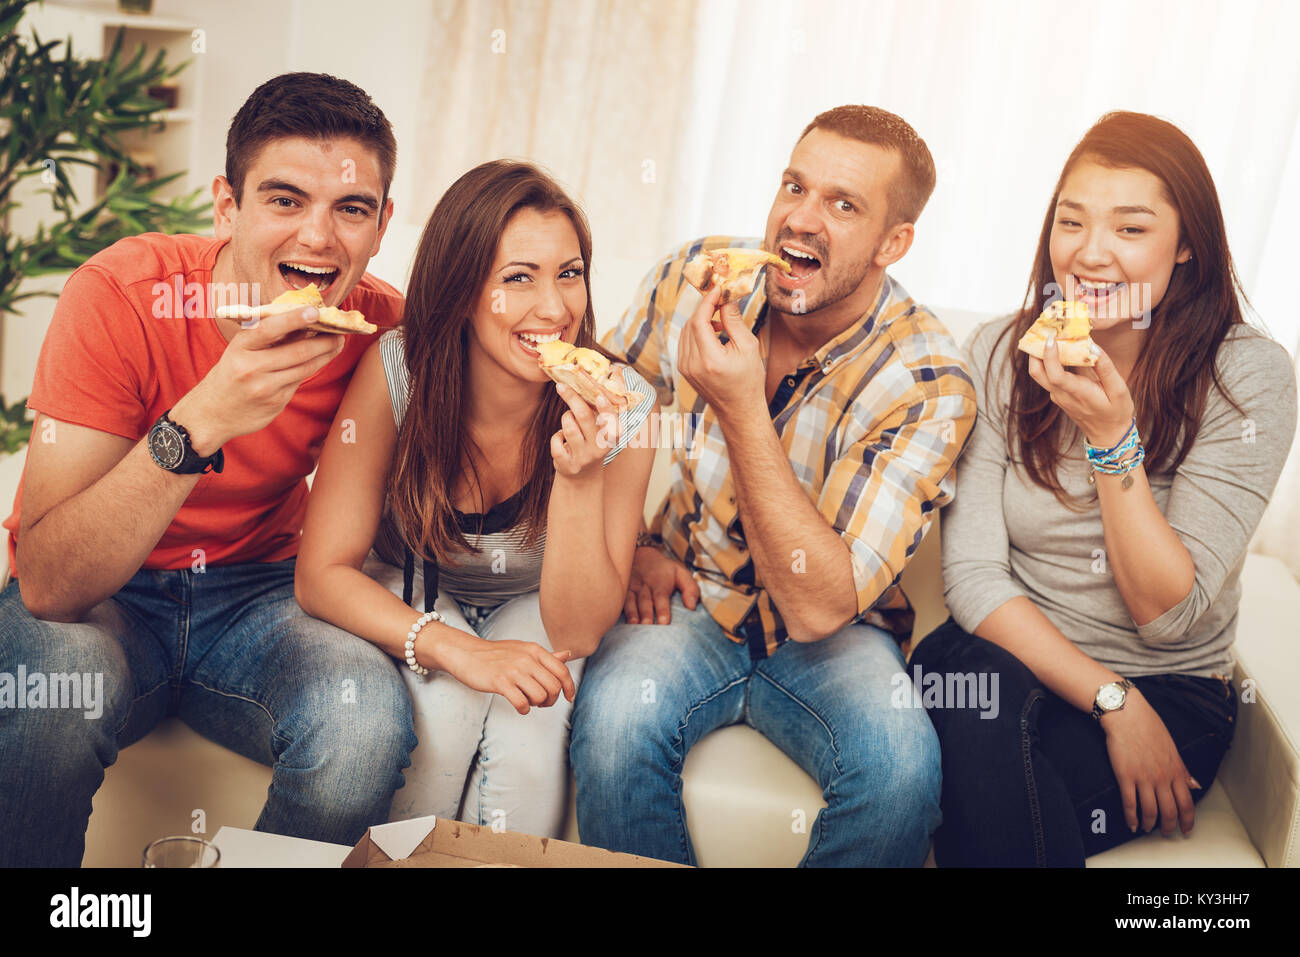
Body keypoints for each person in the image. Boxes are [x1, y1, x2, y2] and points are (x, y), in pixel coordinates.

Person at [0, 73, 413, 866]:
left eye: (351, 208)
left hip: (259, 594)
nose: (319, 240)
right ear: (227, 206)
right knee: (53, 689)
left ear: (382, 223)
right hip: (106, 599)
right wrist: (204, 418)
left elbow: (501, 446)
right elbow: (50, 583)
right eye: (285, 200)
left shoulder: (381, 328)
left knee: (361, 718)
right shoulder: (122, 297)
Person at [569, 105, 977, 866]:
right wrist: (627, 550)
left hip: (835, 635)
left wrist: (741, 407)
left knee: (900, 776)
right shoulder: (694, 280)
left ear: (895, 243)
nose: (800, 219)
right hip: (687, 595)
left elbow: (820, 603)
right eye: (795, 185)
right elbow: (590, 417)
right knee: (616, 724)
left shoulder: (928, 380)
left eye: (842, 204)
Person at [909, 111, 1298, 866]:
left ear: (1187, 245)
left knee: (982, 800)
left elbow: (1166, 613)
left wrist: (1113, 443)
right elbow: (974, 578)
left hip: (1171, 684)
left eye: (1130, 228)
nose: (1089, 254)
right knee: (976, 709)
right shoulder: (997, 351)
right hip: (1004, 654)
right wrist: (1111, 700)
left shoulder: (1247, 376)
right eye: (1071, 221)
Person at [294, 160, 658, 839]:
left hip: (537, 598)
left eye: (569, 273)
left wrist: (578, 479)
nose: (554, 308)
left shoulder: (627, 405)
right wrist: (456, 650)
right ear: (462, 291)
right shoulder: (398, 368)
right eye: (518, 277)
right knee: (440, 726)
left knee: (533, 733)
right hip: (411, 586)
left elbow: (577, 630)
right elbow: (321, 572)